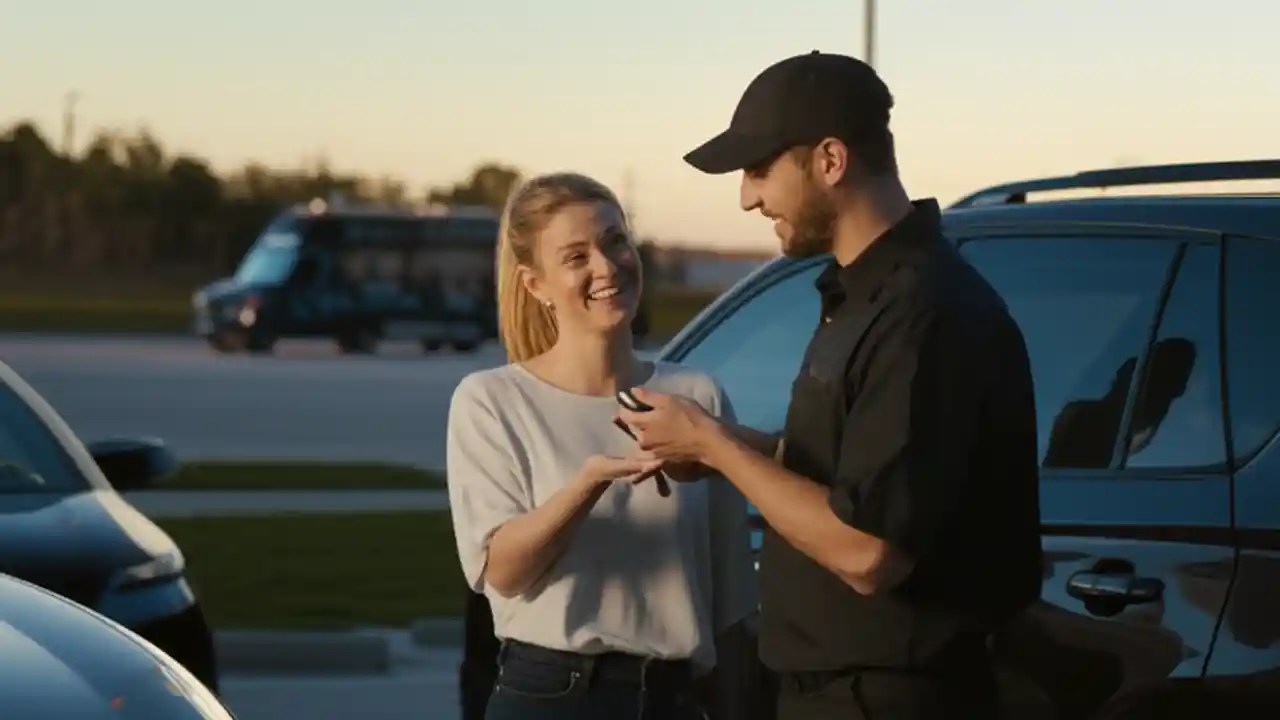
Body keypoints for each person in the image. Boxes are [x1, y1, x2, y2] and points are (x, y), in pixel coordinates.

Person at [616, 51, 1043, 719]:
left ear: (831, 161)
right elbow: (847, 469)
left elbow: (869, 549)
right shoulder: (863, 295)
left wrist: (716, 446)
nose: (746, 196)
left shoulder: (926, 314)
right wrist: (720, 448)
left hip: (888, 698)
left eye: (759, 170)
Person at [445, 171, 759, 720]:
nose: (607, 267)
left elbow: (730, 592)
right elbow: (502, 571)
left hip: (675, 697)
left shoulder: (695, 395)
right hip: (552, 697)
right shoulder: (491, 401)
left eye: (616, 241)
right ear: (535, 284)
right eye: (576, 256)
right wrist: (587, 484)